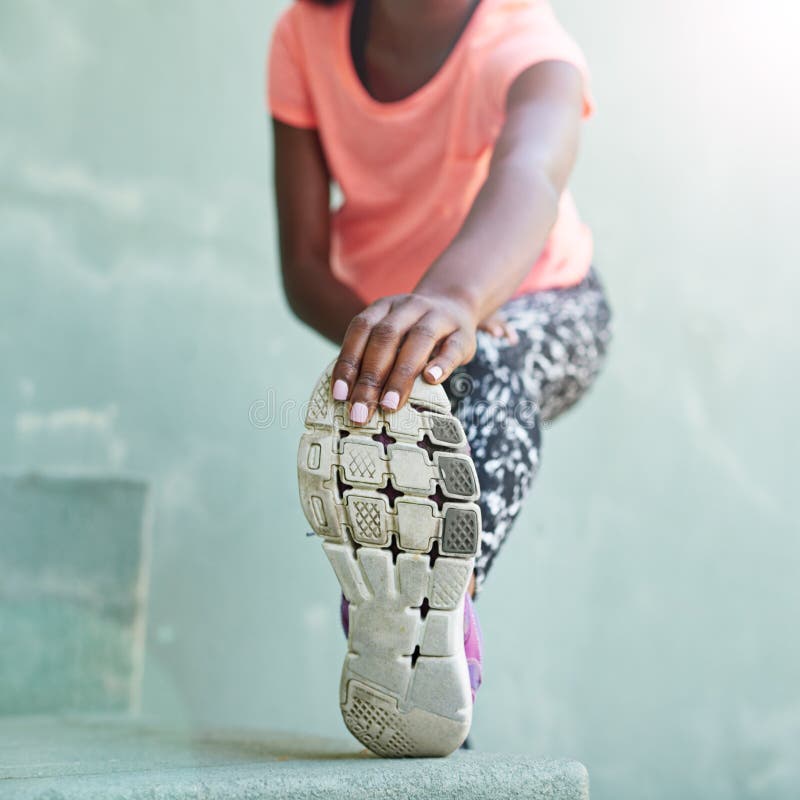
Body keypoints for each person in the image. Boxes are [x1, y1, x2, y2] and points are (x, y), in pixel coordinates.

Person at [269, 0, 612, 756]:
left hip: (543, 303)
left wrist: (455, 301)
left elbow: (533, 169)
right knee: (407, 420)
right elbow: (302, 268)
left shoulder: (526, 41)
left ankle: (436, 598)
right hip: (403, 322)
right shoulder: (305, 35)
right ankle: (422, 667)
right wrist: (391, 342)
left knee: (488, 362)